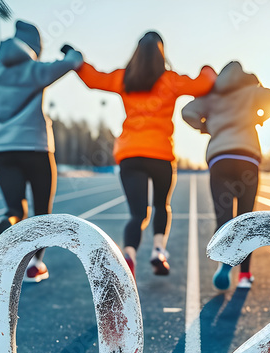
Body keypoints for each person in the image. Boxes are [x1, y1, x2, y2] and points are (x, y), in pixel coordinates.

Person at [75, 31, 216, 277]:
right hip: (160, 154)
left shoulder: (124, 78)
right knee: (162, 205)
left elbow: (93, 79)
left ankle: (129, 255)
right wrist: (207, 69)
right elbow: (204, 84)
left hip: (130, 154)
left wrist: (74, 60)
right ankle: (158, 251)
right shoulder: (170, 80)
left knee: (137, 213)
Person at [0, 20, 83, 283]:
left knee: (14, 207)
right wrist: (68, 51)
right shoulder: (37, 70)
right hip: (35, 146)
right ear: (35, 47)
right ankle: (35, 263)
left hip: (2, 149)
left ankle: (7, 221)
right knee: (42, 211)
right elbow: (74, 61)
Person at [182, 61, 270, 290]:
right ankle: (245, 275)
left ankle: (224, 262)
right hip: (247, 158)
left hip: (220, 159)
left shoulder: (212, 96)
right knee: (246, 218)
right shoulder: (251, 92)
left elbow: (187, 111)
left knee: (223, 216)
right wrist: (260, 118)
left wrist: (206, 126)